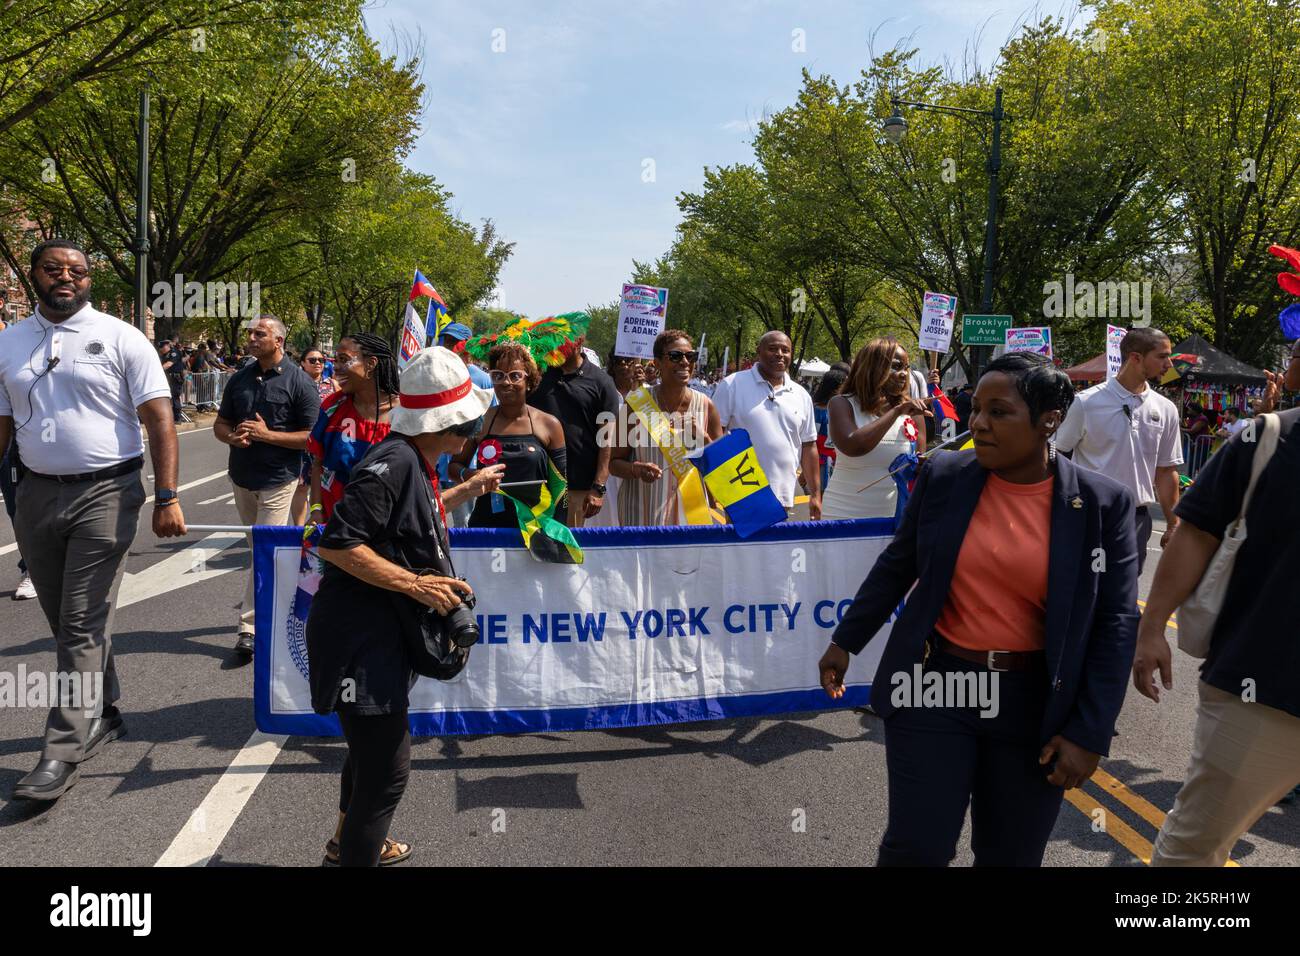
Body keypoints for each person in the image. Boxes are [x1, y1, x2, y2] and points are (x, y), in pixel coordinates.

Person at [818, 351, 1138, 866]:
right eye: (977, 410)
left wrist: (1089, 731)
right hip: (935, 684)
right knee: (916, 848)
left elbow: (1116, 624)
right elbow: (898, 565)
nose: (979, 424)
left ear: (1049, 421)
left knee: (1009, 855)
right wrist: (845, 640)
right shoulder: (946, 474)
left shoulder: (1104, 505)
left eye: (999, 412)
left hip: (1033, 704)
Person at [1, 239, 188, 801]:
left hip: (107, 492)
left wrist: (168, 495)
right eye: (54, 268)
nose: (66, 277)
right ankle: (103, 708)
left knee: (81, 623)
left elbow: (160, 422)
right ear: (33, 275)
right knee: (63, 620)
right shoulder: (8, 341)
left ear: (90, 280)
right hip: (35, 494)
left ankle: (61, 751)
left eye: (77, 271)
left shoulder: (122, 337)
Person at [308, 347, 503, 866]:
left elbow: (412, 519)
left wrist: (468, 489)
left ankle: (344, 845)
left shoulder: (415, 460)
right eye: (466, 424)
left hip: (380, 630)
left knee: (367, 755)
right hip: (360, 635)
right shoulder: (395, 462)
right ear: (446, 425)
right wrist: (416, 586)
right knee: (387, 772)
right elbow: (337, 543)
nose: (470, 436)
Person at [1133, 338, 1300, 866]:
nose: (1289, 360)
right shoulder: (1268, 439)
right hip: (1265, 690)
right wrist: (1152, 625)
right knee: (1193, 853)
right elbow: (1195, 533)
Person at [215, 316, 321, 657]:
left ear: (277, 340)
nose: (251, 337)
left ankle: (249, 628)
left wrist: (268, 435)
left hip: (279, 480)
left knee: (262, 550)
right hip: (242, 478)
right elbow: (220, 423)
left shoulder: (300, 382)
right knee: (259, 551)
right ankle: (292, 592)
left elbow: (312, 438)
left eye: (259, 333)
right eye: (250, 332)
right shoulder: (239, 379)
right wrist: (231, 437)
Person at [1053, 327, 1181, 574]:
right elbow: (1057, 456)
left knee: (1123, 597)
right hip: (1088, 515)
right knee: (1083, 591)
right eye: (1162, 356)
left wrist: (1173, 523)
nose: (1169, 364)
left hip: (1136, 519)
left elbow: (1166, 471)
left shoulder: (1166, 409)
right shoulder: (1086, 402)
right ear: (1136, 358)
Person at [609, 330, 722, 527]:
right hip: (642, 516)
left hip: (691, 518)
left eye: (690, 356)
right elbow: (613, 463)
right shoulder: (636, 404)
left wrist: (704, 438)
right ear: (658, 363)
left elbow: (723, 467)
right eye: (675, 356)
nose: (685, 362)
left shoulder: (706, 406)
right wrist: (636, 469)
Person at [451, 343, 565, 528]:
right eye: (498, 375)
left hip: (535, 530)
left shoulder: (550, 425)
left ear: (530, 380)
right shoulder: (481, 420)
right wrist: (471, 475)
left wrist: (558, 530)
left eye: (515, 376)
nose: (506, 382)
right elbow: (454, 467)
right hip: (487, 529)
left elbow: (561, 488)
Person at [711, 330, 821, 519]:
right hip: (742, 496)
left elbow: (809, 445)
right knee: (741, 549)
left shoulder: (801, 395)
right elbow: (715, 437)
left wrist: (816, 495)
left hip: (784, 497)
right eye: (772, 349)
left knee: (779, 548)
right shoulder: (732, 385)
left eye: (785, 350)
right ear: (758, 351)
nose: (779, 354)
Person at [821, 339, 930, 521]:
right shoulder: (842, 404)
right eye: (896, 366)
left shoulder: (912, 412)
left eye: (906, 367)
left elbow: (918, 463)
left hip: (893, 516)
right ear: (870, 367)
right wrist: (896, 412)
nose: (904, 374)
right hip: (844, 513)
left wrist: (920, 465)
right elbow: (853, 445)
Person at [305, 334, 399, 529]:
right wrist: (315, 510)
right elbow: (317, 464)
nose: (336, 367)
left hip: (387, 528)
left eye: (344, 360)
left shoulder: (405, 414)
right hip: (335, 525)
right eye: (335, 360)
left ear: (371, 363)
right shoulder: (332, 406)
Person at [528, 330, 620, 527]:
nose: (555, 349)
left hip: (579, 489)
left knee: (569, 551)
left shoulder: (602, 382)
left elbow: (607, 440)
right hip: (538, 486)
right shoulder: (538, 376)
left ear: (578, 344)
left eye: (561, 344)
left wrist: (599, 486)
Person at [435, 323, 495, 526]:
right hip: (435, 462)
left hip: (465, 465)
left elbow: (490, 420)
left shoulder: (483, 379)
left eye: (454, 342)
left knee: (464, 525)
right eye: (446, 342)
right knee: (433, 520)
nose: (449, 347)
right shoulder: (435, 375)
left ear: (467, 347)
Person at [292, 345, 339, 525]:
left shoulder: (333, 384)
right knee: (302, 487)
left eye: (321, 360)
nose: (318, 363)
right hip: (303, 443)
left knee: (324, 485)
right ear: (303, 363)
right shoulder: (296, 384)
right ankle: (298, 529)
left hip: (325, 444)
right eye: (312, 360)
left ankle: (319, 523)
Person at [812, 363, 850, 493]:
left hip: (838, 458)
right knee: (823, 490)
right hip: (822, 458)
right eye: (843, 386)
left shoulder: (844, 407)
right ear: (834, 388)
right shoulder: (819, 410)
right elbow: (813, 436)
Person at [158, 339, 187, 423]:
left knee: (175, 397)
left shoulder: (174, 353)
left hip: (175, 378)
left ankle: (177, 418)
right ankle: (170, 416)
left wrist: (156, 370)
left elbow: (169, 364)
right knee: (167, 397)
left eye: (162, 347)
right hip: (168, 378)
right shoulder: (164, 355)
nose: (161, 349)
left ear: (167, 346)